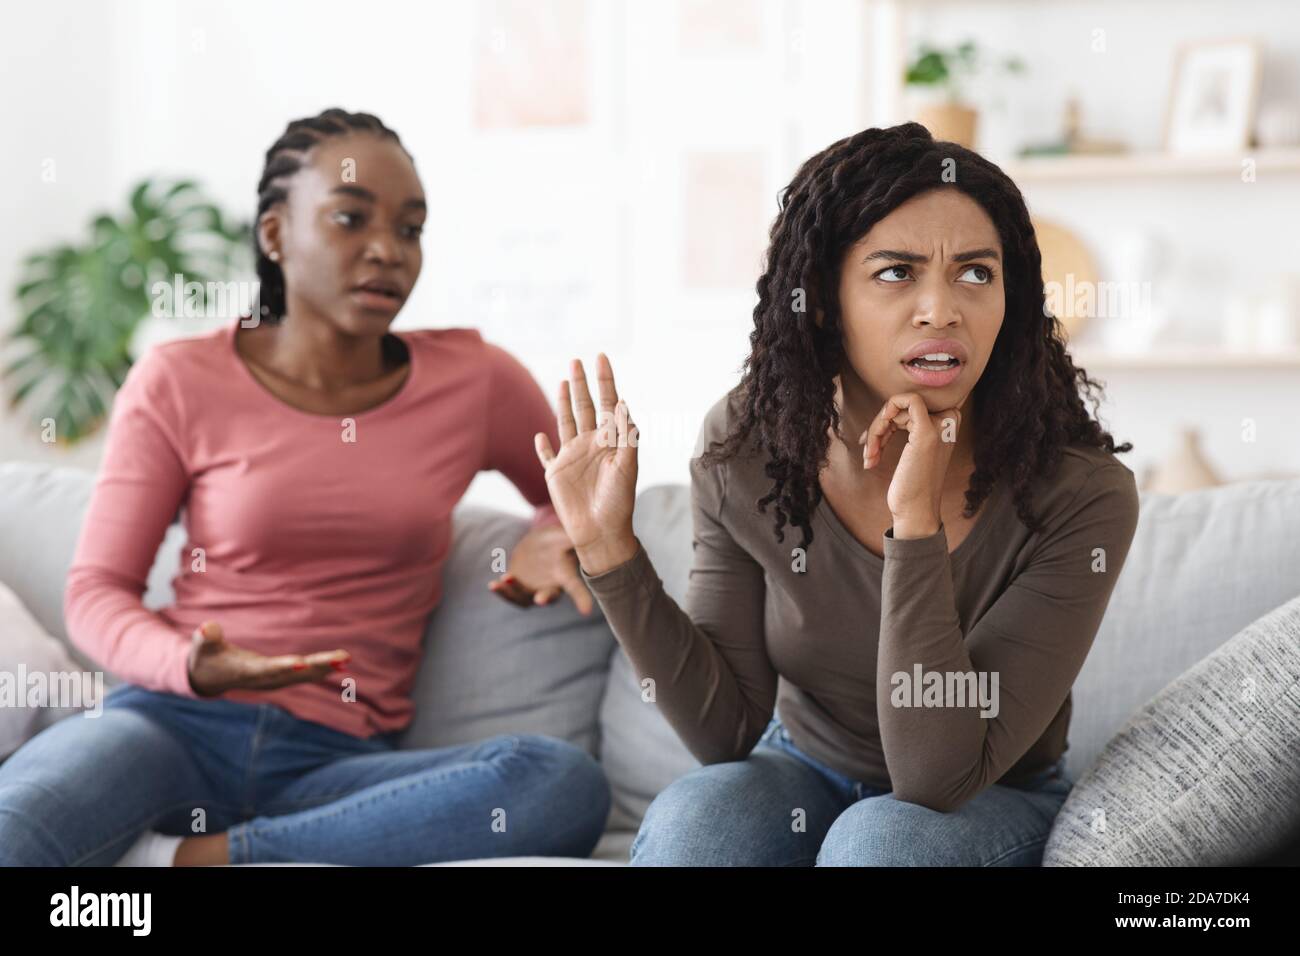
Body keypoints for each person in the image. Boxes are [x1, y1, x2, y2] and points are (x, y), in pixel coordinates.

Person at [0, 108, 610, 867]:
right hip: (168, 724)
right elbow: (95, 591)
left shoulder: (475, 380)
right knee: (15, 825)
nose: (388, 250)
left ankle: (195, 859)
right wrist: (189, 663)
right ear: (275, 234)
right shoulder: (180, 380)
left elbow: (570, 491)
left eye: (411, 229)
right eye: (351, 219)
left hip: (336, 761)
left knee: (558, 783)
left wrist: (550, 540)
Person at [534, 122, 1140, 866]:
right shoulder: (750, 443)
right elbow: (724, 733)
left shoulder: (1081, 493)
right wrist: (609, 550)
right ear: (821, 299)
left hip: (985, 798)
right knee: (698, 820)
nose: (941, 308)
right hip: (806, 771)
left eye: (976, 273)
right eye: (896, 272)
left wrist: (912, 527)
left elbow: (936, 775)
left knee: (877, 842)